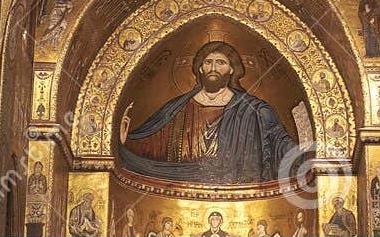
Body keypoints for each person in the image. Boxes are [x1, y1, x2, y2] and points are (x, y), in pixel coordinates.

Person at [120, 40, 298, 185]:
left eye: (221, 63)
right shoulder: (177, 108)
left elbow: (280, 143)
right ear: (200, 68)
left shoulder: (255, 110)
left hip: (240, 190)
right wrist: (124, 140)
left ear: (231, 69)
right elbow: (151, 143)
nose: (213, 68)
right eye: (208, 62)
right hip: (180, 186)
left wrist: (304, 152)